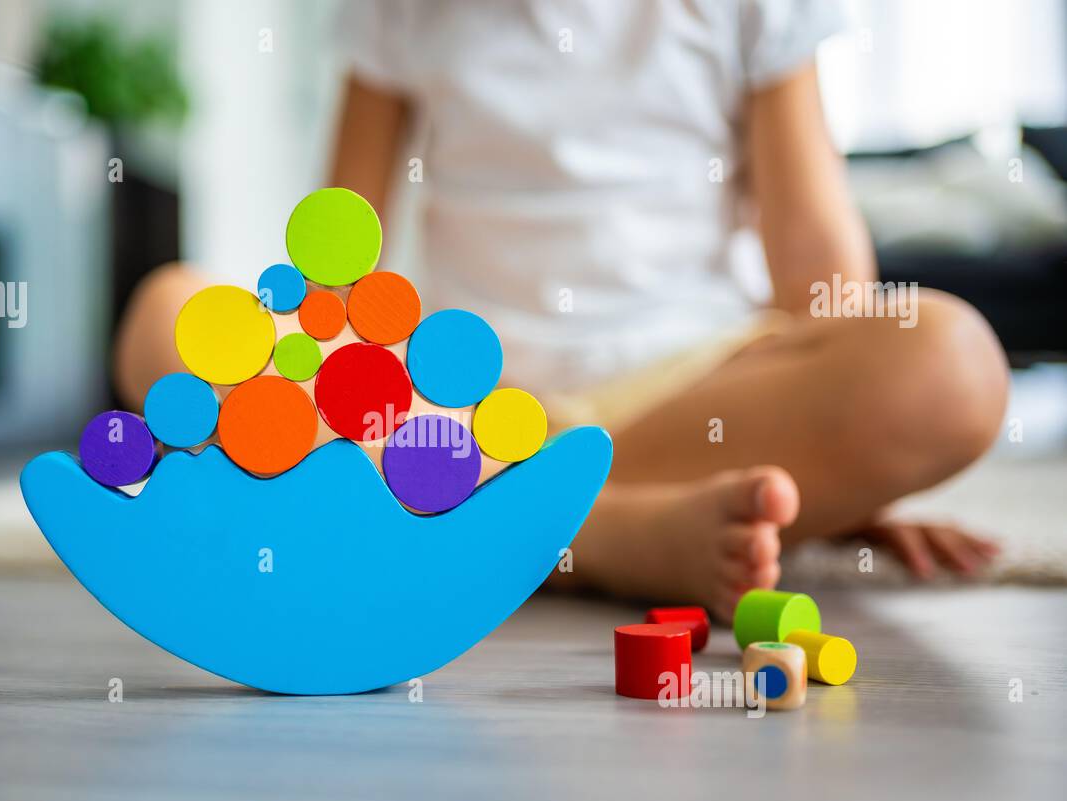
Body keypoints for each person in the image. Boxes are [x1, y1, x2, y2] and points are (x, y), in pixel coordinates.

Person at [114, 0, 1007, 622]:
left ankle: (482, 525)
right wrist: (310, 390)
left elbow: (815, 268)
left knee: (949, 366)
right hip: (451, 412)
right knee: (169, 312)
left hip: (687, 397)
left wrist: (847, 453)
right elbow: (339, 258)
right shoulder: (403, 8)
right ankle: (604, 534)